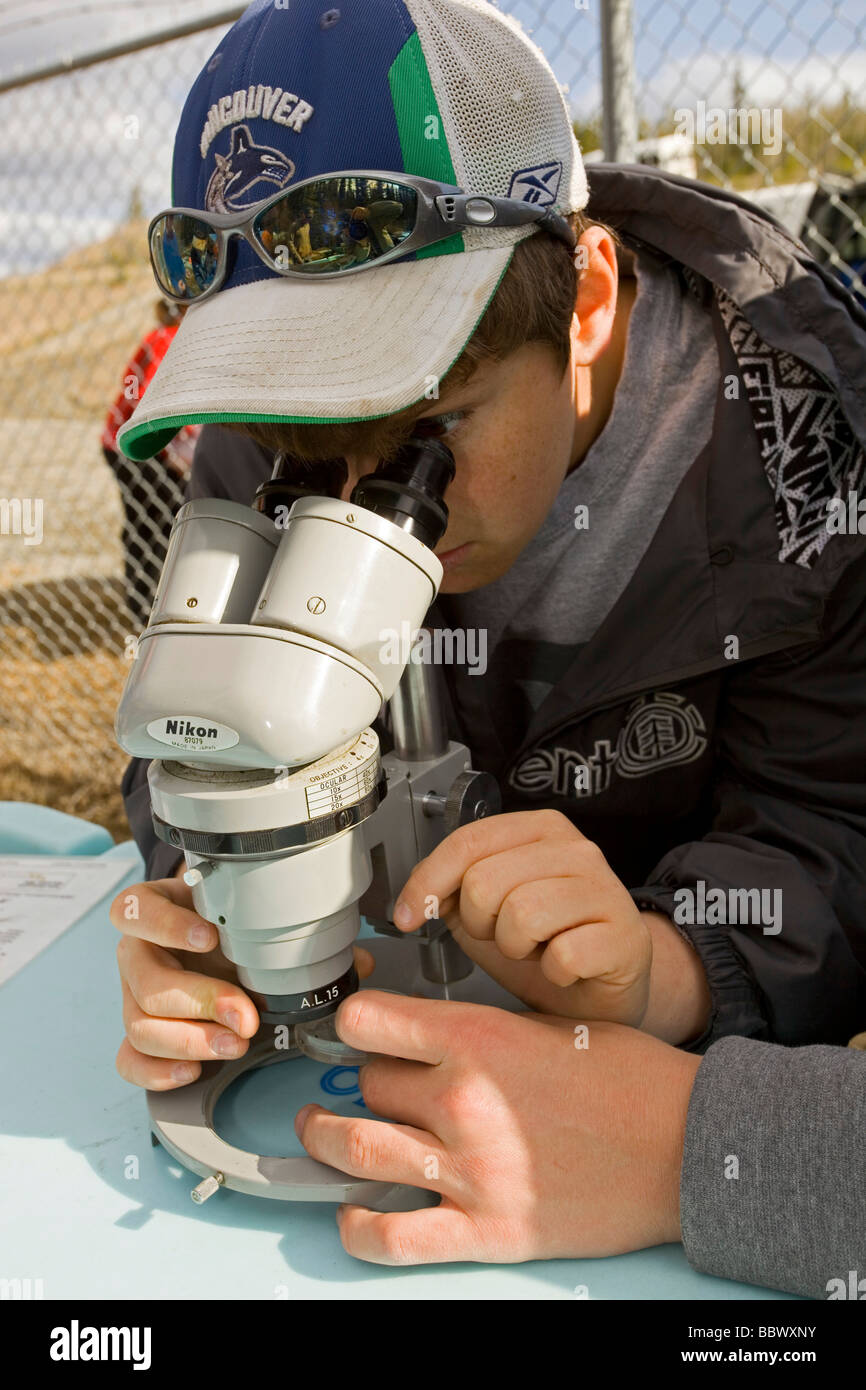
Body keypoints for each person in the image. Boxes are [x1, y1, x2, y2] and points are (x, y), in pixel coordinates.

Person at [110, 0, 866, 1297]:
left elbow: (831, 836)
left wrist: (663, 969)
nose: (349, 498)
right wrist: (207, 894)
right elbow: (203, 706)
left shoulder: (803, 469)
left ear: (580, 298)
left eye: (417, 435)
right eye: (307, 451)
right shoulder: (277, 426)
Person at [101, 300, 201, 627]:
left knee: (164, 519)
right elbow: (150, 400)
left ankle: (156, 600)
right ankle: (145, 609)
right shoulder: (168, 338)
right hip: (132, 448)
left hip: (151, 447)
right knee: (149, 525)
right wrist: (187, 432)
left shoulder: (179, 337)